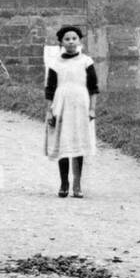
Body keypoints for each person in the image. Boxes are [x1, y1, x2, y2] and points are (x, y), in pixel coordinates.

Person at [45, 25, 99, 197]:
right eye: (67, 39)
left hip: (80, 106)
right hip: (61, 105)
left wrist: (92, 109)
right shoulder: (55, 63)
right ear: (61, 42)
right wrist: (49, 111)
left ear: (79, 41)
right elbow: (50, 89)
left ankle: (77, 184)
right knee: (63, 144)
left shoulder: (86, 62)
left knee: (78, 144)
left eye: (74, 38)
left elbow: (93, 88)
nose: (71, 42)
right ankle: (64, 183)